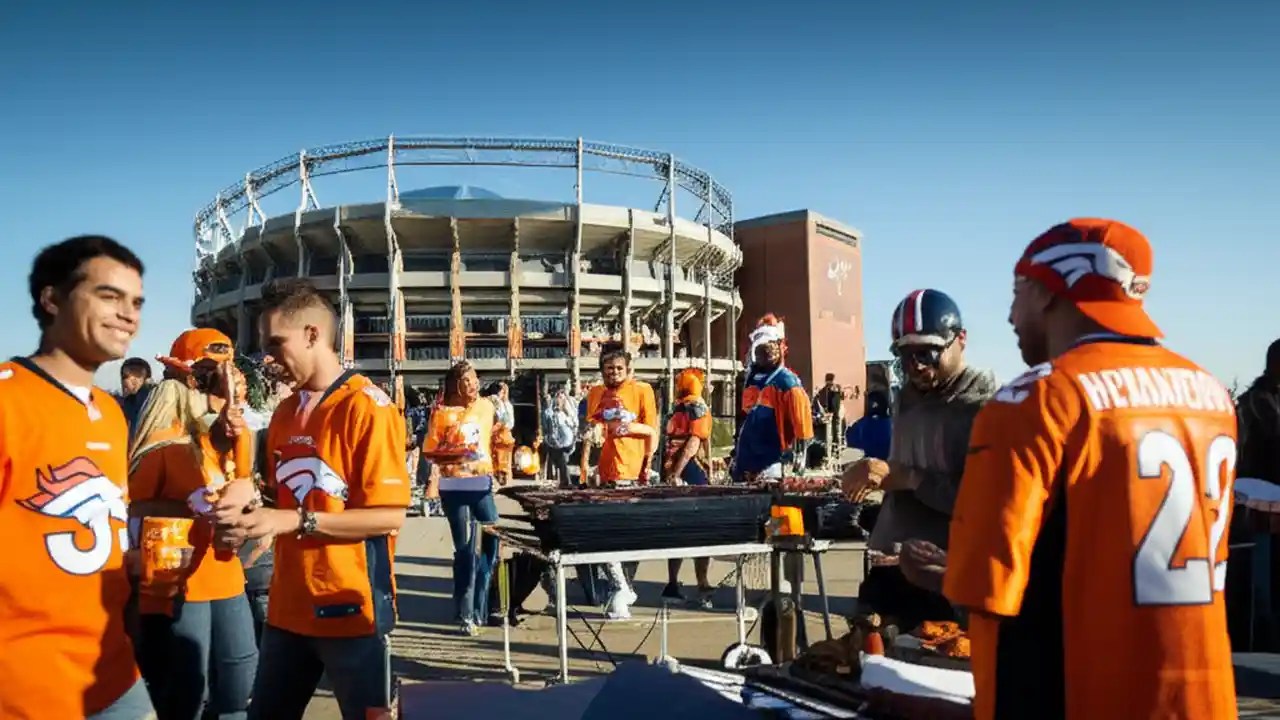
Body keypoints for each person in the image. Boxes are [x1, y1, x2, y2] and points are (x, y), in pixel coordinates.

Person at [943, 219, 1238, 720]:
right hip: (1204, 696)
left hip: (1089, 692)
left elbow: (989, 592)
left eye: (1018, 291)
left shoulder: (1036, 398)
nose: (1011, 314)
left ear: (1050, 290)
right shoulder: (1212, 394)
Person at [215, 278, 410, 720]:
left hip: (351, 611)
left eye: (276, 343)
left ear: (312, 335)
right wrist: (245, 495)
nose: (267, 357)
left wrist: (293, 522)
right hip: (286, 610)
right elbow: (273, 491)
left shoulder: (367, 407)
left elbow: (389, 516)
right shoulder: (285, 412)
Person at [0, 235, 154, 719]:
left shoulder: (109, 410)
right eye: (109, 296)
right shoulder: (7, 400)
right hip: (25, 688)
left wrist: (129, 560)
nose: (129, 314)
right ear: (52, 299)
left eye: (136, 302)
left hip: (114, 673)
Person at [842, 289, 995, 630]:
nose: (916, 366)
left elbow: (985, 505)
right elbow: (901, 472)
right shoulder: (909, 398)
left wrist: (910, 478)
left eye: (927, 352)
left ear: (961, 340)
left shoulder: (984, 408)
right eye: (905, 356)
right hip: (892, 569)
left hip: (946, 577)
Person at [127, 329, 260, 720]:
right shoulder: (165, 443)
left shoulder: (228, 435)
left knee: (240, 679)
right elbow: (130, 507)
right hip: (180, 582)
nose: (226, 387)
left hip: (227, 573)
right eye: (209, 376)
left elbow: (242, 480)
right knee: (188, 689)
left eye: (229, 376)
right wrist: (186, 507)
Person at [424, 360, 514, 635]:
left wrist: (503, 466)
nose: (472, 385)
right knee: (465, 551)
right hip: (454, 487)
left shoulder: (487, 407)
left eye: (474, 379)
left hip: (482, 485)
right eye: (465, 381)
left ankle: (481, 607)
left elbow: (500, 435)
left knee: (492, 542)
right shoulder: (441, 413)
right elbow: (430, 448)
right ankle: (465, 614)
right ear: (455, 386)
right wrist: (435, 477)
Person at [584, 347, 658, 618]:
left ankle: (624, 587)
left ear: (628, 370)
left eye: (618, 368)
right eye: (608, 368)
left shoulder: (642, 391)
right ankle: (620, 587)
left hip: (631, 470)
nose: (613, 373)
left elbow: (652, 429)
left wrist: (648, 463)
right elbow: (590, 433)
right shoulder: (595, 395)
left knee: (627, 534)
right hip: (604, 472)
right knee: (603, 533)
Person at [731, 314, 813, 483]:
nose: (766, 354)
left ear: (779, 349)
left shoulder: (787, 382)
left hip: (772, 459)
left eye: (770, 349)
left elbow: (802, 421)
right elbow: (746, 415)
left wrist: (800, 454)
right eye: (761, 350)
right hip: (747, 457)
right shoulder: (752, 380)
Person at [662, 368, 716, 607]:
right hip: (691, 472)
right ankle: (702, 584)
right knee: (702, 530)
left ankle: (672, 583)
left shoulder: (676, 409)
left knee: (677, 530)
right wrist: (679, 472)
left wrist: (670, 473)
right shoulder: (697, 407)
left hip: (671, 471)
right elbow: (694, 442)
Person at [542, 387, 579, 488]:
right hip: (554, 442)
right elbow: (546, 427)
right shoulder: (549, 413)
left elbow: (574, 425)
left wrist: (573, 438)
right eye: (558, 397)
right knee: (561, 460)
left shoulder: (568, 413)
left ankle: (564, 481)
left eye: (562, 398)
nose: (560, 400)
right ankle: (566, 482)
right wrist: (549, 438)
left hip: (568, 442)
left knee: (563, 461)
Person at [845, 389, 892, 462]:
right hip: (887, 463)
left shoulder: (865, 423)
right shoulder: (891, 423)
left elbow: (851, 439)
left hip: (870, 463)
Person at [118, 356, 154, 431]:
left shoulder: (131, 404)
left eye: (125, 377)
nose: (123, 382)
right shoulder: (157, 399)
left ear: (136, 380)